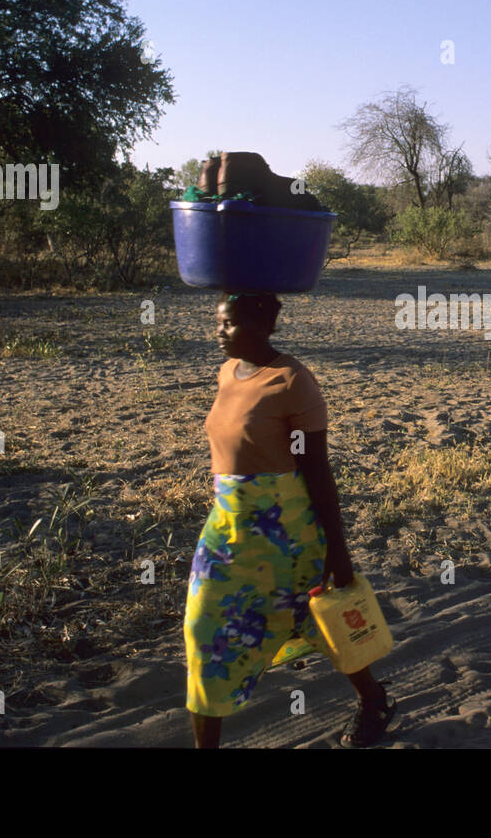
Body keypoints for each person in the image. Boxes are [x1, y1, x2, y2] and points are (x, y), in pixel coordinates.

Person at [184, 291, 395, 746]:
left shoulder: (291, 382)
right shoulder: (227, 372)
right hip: (228, 530)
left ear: (263, 326)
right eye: (218, 323)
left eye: (228, 324)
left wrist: (337, 552)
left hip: (289, 537)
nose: (218, 333)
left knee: (325, 624)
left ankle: (374, 699)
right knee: (205, 632)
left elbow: (316, 471)